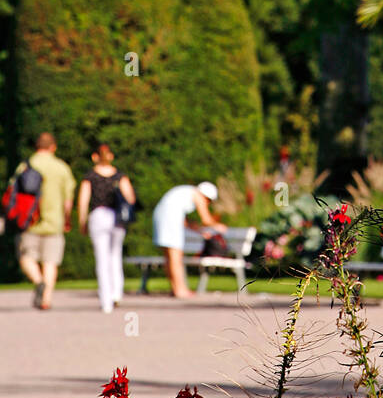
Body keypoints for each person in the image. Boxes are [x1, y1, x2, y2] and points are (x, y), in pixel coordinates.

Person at [14, 132, 75, 310]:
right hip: (54, 221)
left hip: (29, 221)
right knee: (50, 262)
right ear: (53, 147)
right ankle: (46, 299)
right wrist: (67, 218)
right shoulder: (61, 168)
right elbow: (68, 199)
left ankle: (38, 280)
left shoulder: (25, 166)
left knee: (26, 257)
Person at [77, 142, 137, 314]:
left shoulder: (90, 176)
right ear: (111, 156)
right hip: (116, 217)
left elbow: (83, 201)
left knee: (101, 259)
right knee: (115, 255)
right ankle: (117, 293)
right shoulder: (119, 176)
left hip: (98, 216)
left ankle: (106, 302)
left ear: (95, 156)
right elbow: (131, 198)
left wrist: (82, 222)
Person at [151, 181, 225, 299]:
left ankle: (175, 288)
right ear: (207, 196)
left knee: (169, 257)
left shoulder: (185, 192)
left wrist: (200, 231)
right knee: (176, 257)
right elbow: (206, 219)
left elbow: (185, 223)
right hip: (170, 220)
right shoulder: (198, 195)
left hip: (160, 216)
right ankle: (180, 290)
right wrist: (219, 226)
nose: (207, 203)